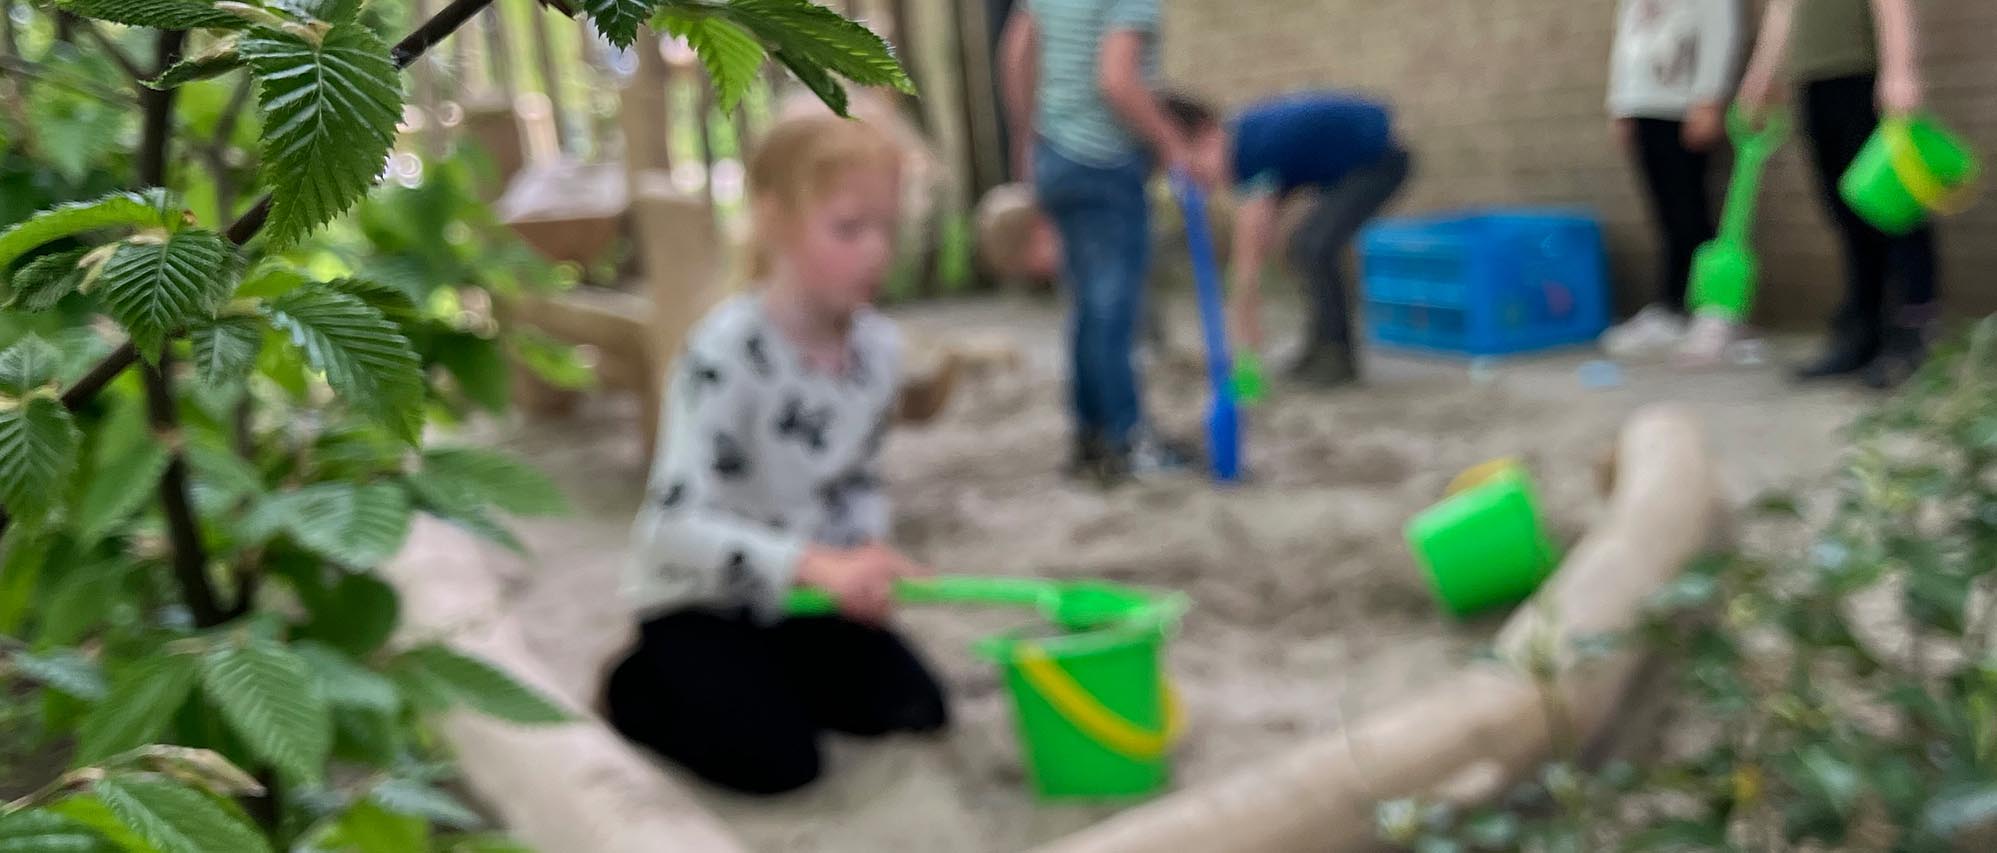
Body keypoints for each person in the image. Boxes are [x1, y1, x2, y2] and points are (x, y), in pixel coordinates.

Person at [603, 115, 949, 796]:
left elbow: (854, 479)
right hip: (700, 601)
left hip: (800, 598)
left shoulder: (878, 349)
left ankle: (769, 681)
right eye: (849, 229)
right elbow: (670, 525)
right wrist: (819, 563)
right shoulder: (724, 352)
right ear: (774, 221)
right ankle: (634, 685)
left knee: (916, 709)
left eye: (886, 227)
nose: (876, 251)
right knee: (783, 765)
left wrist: (863, 556)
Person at [998, 0, 1199, 484]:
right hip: (1104, 161)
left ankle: (1092, 438)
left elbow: (1017, 52)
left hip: (1056, 154)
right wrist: (1173, 144)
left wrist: (1029, 137)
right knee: (1113, 310)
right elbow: (1118, 81)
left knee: (1088, 307)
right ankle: (1127, 439)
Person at [1737, 0, 1937, 387]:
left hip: (1863, 73)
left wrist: (1901, 69)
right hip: (1814, 80)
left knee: (1893, 205)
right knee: (1845, 210)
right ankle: (1864, 329)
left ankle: (1915, 329)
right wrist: (1761, 75)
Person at [1162, 90, 1412, 387]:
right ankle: (1322, 347)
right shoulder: (1250, 140)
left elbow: (1250, 248)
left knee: (1314, 249)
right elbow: (1264, 225)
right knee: (1306, 246)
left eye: (1197, 169)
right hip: (1359, 162)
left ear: (1207, 133)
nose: (1203, 182)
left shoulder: (1249, 149)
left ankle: (1336, 356)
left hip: (1379, 160)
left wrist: (1244, 300)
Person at [1603, 0, 1744, 360]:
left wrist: (1709, 96)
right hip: (1642, 105)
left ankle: (1714, 309)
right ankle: (1670, 307)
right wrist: (1620, 103)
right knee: (1665, 212)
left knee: (1690, 209)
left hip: (1681, 106)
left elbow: (1720, 28)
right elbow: (1628, 37)